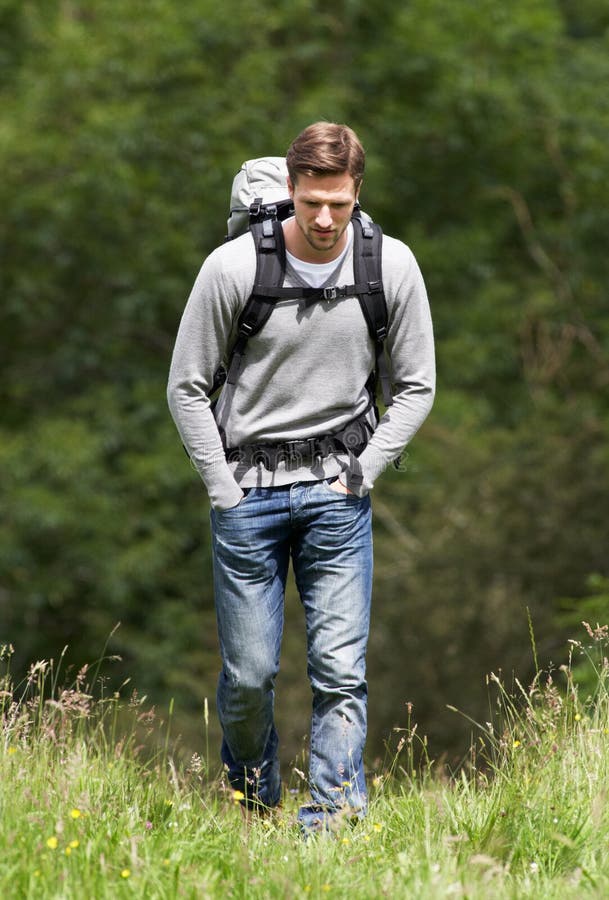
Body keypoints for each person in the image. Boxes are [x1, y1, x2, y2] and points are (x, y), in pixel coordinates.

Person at [167, 122, 435, 832]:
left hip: (337, 494)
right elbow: (185, 387)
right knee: (250, 677)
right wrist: (221, 489)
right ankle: (251, 799)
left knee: (340, 672)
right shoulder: (232, 269)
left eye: (338, 205)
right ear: (290, 190)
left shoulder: (390, 266)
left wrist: (363, 474)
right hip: (246, 495)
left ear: (356, 195)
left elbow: (416, 387)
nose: (323, 219)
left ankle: (333, 820)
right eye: (311, 201)